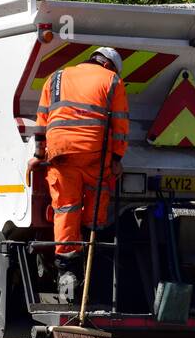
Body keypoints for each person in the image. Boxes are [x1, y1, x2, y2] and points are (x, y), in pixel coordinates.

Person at [36, 46, 129, 299]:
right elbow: (120, 124)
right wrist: (117, 158)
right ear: (109, 66)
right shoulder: (112, 81)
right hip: (94, 155)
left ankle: (67, 269)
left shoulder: (56, 77)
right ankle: (91, 256)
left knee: (66, 208)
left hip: (60, 153)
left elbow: (42, 119)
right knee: (95, 205)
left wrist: (38, 153)